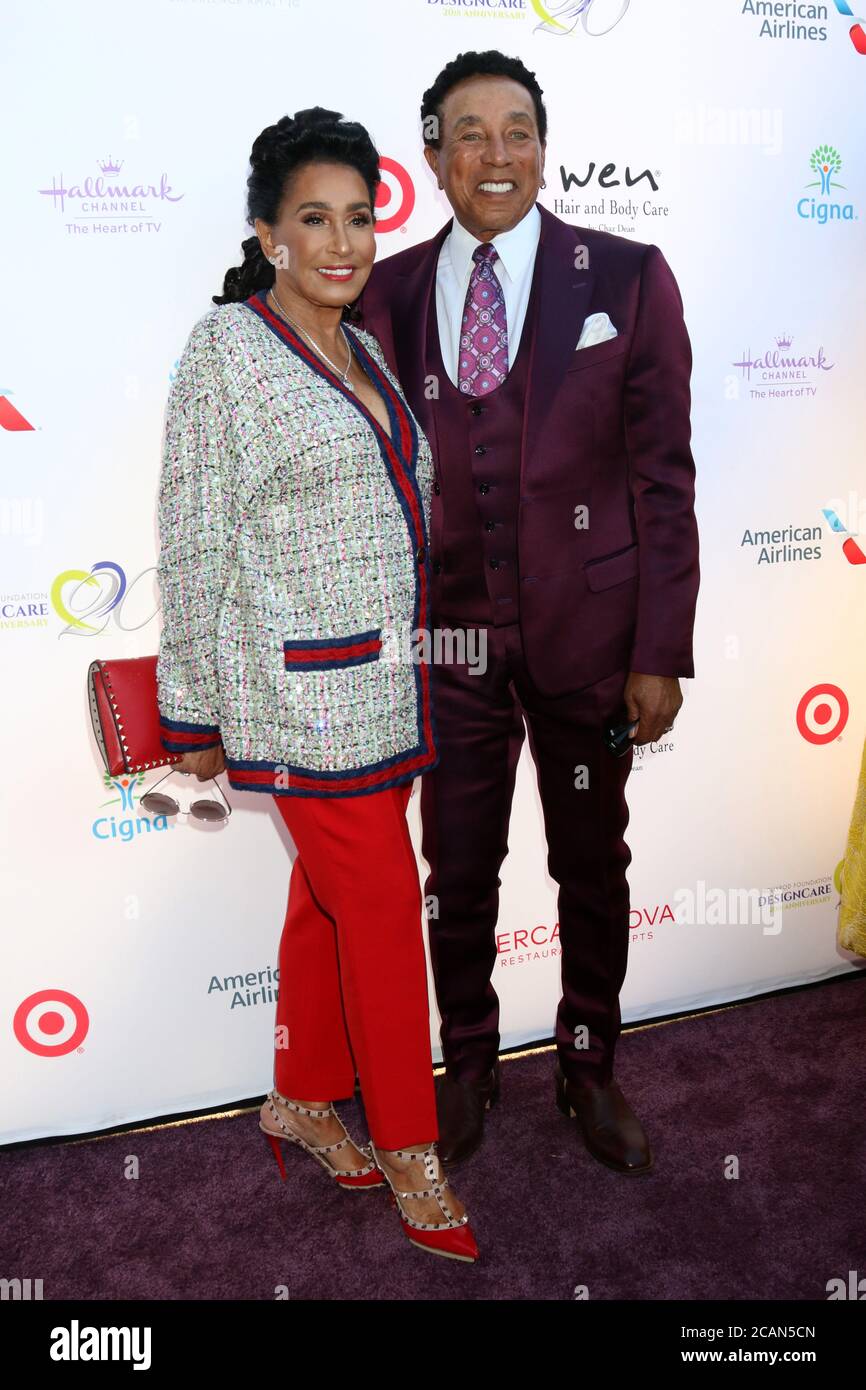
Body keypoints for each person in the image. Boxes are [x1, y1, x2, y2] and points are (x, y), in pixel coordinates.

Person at [357, 51, 700, 1170]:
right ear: (432, 155)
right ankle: (465, 1068)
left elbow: (662, 478)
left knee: (590, 864)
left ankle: (588, 1067)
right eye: (468, 133)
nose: (493, 155)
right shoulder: (388, 292)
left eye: (515, 131)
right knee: (457, 870)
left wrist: (658, 649)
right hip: (446, 643)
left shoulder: (628, 277)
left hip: (591, 645)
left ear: (542, 149)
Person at [154, 107, 477, 1262]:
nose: (342, 242)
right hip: (296, 695)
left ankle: (298, 1091)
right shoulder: (225, 349)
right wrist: (190, 706)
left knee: (327, 903)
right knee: (385, 909)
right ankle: (409, 1147)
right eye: (313, 220)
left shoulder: (363, 344)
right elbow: (194, 536)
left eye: (358, 217)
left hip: (384, 685)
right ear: (267, 233)